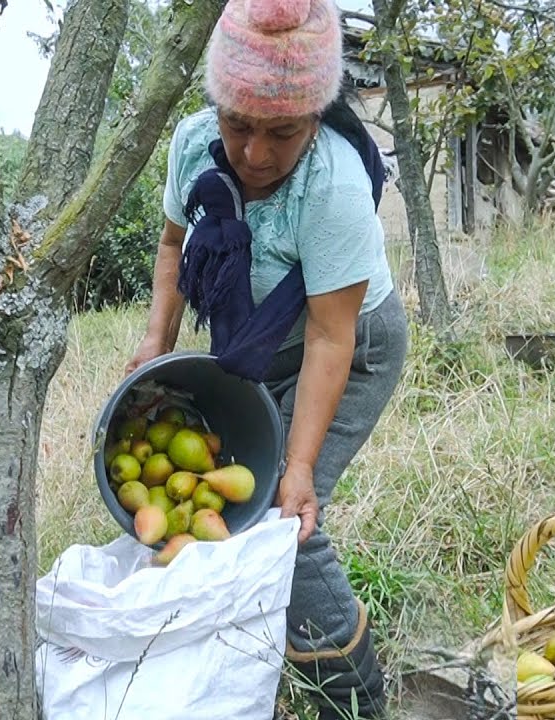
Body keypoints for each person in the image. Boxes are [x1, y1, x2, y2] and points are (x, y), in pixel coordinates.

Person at [125, 0, 408, 716]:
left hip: (349, 346)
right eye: (238, 125)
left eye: (282, 132)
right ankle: (255, 652)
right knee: (234, 489)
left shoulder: (334, 187)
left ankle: (355, 697)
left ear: (316, 117)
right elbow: (169, 245)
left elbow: (329, 337)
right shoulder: (192, 144)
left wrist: (302, 468)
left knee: (282, 513)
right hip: (260, 344)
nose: (255, 154)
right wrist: (156, 342)